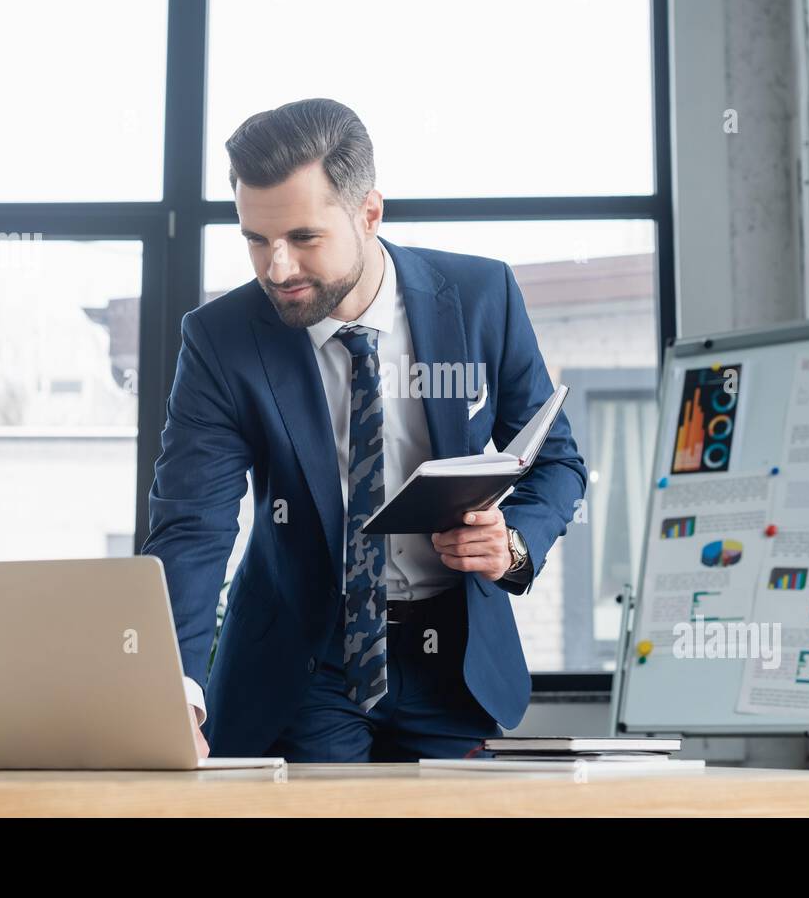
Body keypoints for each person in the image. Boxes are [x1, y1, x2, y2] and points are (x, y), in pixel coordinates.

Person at [141, 97, 586, 762]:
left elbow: (557, 463)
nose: (277, 268)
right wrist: (175, 692)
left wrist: (513, 544)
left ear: (369, 213)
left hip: (453, 657)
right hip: (306, 665)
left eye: (303, 238)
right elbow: (193, 525)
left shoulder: (481, 297)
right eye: (256, 240)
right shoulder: (221, 339)